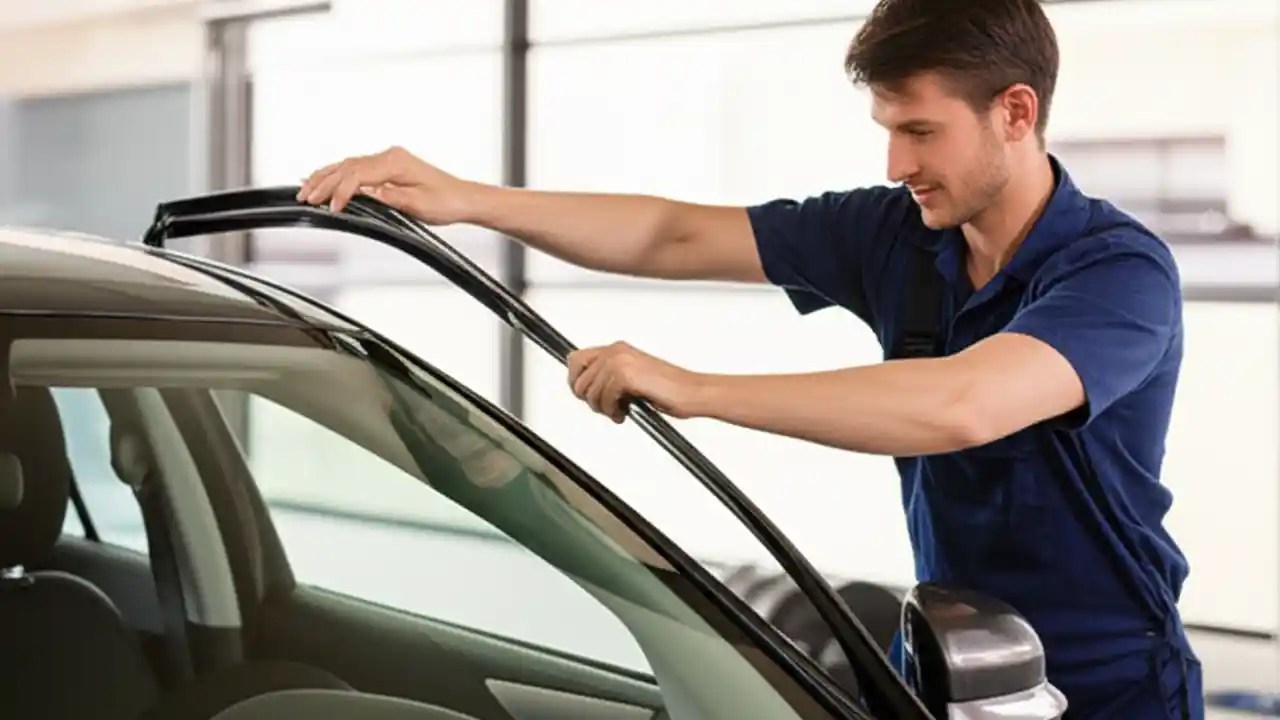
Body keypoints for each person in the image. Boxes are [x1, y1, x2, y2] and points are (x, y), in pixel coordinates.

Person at [296, 0, 1202, 717]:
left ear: (1016, 112)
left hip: (1107, 682)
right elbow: (674, 234)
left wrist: (692, 389)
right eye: (887, 129)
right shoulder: (897, 234)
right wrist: (467, 199)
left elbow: (963, 403)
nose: (895, 163)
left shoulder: (1119, 273)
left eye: (921, 132)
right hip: (938, 662)